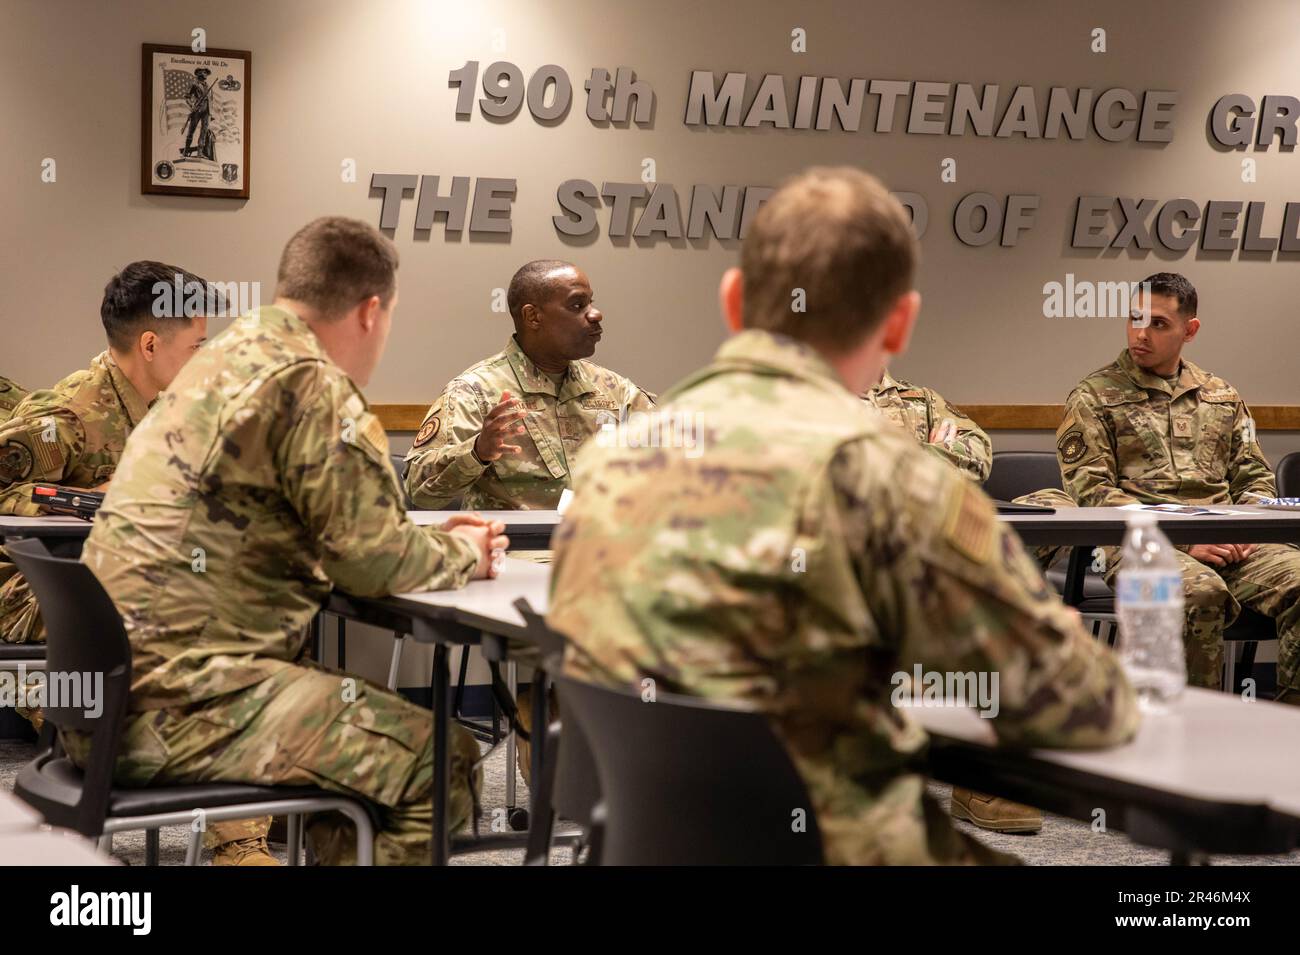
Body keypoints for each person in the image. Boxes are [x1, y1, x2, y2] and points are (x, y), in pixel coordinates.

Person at [547, 166, 1138, 865]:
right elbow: (1081, 707)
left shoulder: (610, 458)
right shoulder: (889, 476)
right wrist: (1061, 632)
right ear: (900, 321)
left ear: (733, 301)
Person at [74, 217, 509, 866]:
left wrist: (402, 538)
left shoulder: (219, 358)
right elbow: (372, 560)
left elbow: (322, 524)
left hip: (100, 704)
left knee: (363, 746)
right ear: (369, 312)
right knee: (441, 759)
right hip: (180, 710)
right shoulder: (310, 383)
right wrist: (466, 553)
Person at [1058, 272, 1300, 701]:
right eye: (1135, 319)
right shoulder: (1095, 396)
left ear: (1190, 330)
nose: (1141, 333)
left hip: (1229, 542)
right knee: (1196, 594)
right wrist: (1182, 541)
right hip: (1137, 546)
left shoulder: (1220, 396)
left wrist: (1241, 529)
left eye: (1159, 323)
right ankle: (1187, 740)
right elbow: (1090, 492)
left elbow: (1254, 478)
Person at [0, 261, 210, 647]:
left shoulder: (159, 408)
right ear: (150, 345)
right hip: (29, 592)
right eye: (196, 347)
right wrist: (97, 497)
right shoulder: (70, 415)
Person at [404, 259, 656, 510]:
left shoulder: (614, 390)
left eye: (591, 302)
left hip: (596, 544)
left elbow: (677, 454)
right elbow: (418, 490)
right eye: (577, 305)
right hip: (515, 546)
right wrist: (477, 451)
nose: (595, 314)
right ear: (533, 317)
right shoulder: (475, 391)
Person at [863, 371, 992, 482]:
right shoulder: (843, 402)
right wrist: (929, 460)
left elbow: (980, 452)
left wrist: (930, 457)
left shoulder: (923, 400)